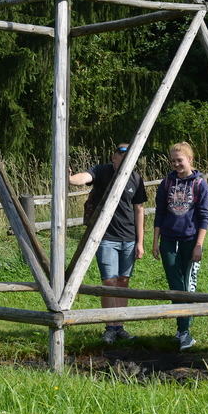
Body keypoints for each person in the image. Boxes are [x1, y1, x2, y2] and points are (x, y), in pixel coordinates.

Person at [69, 144, 147, 343]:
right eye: (121, 155)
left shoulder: (136, 178)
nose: (124, 158)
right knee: (109, 282)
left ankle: (119, 326)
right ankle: (109, 326)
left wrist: (140, 242)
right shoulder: (102, 171)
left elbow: (139, 210)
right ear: (114, 157)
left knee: (123, 282)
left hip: (129, 238)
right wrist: (69, 178)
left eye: (129, 155)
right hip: (105, 238)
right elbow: (84, 178)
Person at [152, 141, 208, 351]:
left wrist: (199, 245)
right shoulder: (166, 183)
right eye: (173, 160)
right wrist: (155, 241)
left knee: (186, 284)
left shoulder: (200, 184)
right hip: (168, 238)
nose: (176, 164)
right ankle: (183, 329)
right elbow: (159, 213)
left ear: (190, 159)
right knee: (174, 283)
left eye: (180, 160)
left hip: (190, 239)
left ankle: (184, 330)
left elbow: (204, 217)